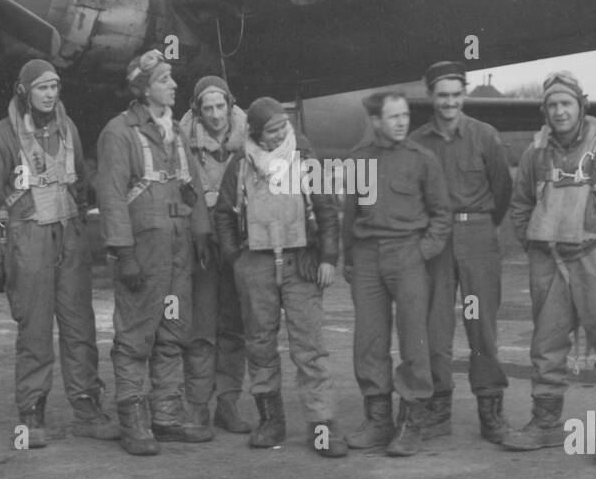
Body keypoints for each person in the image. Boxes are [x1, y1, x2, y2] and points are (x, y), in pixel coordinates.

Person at [505, 71, 596, 463]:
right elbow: (520, 205)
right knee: (546, 345)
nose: (559, 111)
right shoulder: (535, 152)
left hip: (595, 257)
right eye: (552, 105)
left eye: (566, 103)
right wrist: (531, 242)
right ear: (545, 110)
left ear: (580, 106)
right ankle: (546, 424)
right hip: (549, 260)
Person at [0, 60, 111, 449]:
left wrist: (80, 232)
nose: (51, 94)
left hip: (68, 236)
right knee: (34, 329)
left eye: (55, 86)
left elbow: (81, 186)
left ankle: (87, 407)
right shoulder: (3, 137)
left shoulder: (68, 129)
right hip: (28, 238)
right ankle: (31, 413)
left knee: (79, 325)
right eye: (42, 88)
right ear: (23, 91)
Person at [96, 49, 216, 455]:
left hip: (179, 251)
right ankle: (133, 419)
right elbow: (111, 197)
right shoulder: (119, 132)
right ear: (145, 89)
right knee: (135, 335)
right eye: (165, 80)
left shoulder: (177, 133)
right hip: (144, 254)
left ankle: (166, 415)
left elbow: (192, 186)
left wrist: (201, 233)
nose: (174, 85)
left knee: (171, 331)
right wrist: (123, 251)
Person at [213, 97, 345, 456]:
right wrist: (235, 259)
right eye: (272, 129)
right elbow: (224, 214)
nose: (280, 133)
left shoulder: (303, 158)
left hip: (301, 263)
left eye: (284, 126)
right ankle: (270, 420)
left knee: (310, 348)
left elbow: (326, 208)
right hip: (254, 264)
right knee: (259, 345)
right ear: (256, 132)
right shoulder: (240, 165)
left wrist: (328, 257)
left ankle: (322, 429)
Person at [342, 90, 451, 457]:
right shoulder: (358, 159)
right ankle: (377, 420)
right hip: (367, 257)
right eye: (394, 117)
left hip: (408, 254)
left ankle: (411, 421)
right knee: (369, 339)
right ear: (375, 121)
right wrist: (350, 260)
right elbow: (350, 215)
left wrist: (422, 252)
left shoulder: (423, 159)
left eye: (405, 115)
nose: (403, 122)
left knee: (414, 339)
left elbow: (441, 214)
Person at [410, 62, 514, 444]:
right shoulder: (418, 141)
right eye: (442, 95)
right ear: (430, 96)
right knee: (434, 329)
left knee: (481, 325)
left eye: (456, 95)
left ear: (464, 95)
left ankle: (491, 412)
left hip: (477, 237)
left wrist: (480, 227)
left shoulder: (485, 136)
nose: (450, 102)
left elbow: (502, 190)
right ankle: (439, 410)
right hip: (436, 239)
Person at [178, 76, 251, 434]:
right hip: (203, 242)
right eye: (207, 108)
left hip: (238, 241)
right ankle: (197, 403)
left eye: (220, 106)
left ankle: (229, 401)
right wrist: (199, 231)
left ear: (230, 104)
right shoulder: (182, 140)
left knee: (234, 326)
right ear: (197, 109)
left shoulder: (251, 137)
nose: (215, 115)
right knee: (202, 325)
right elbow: (183, 191)